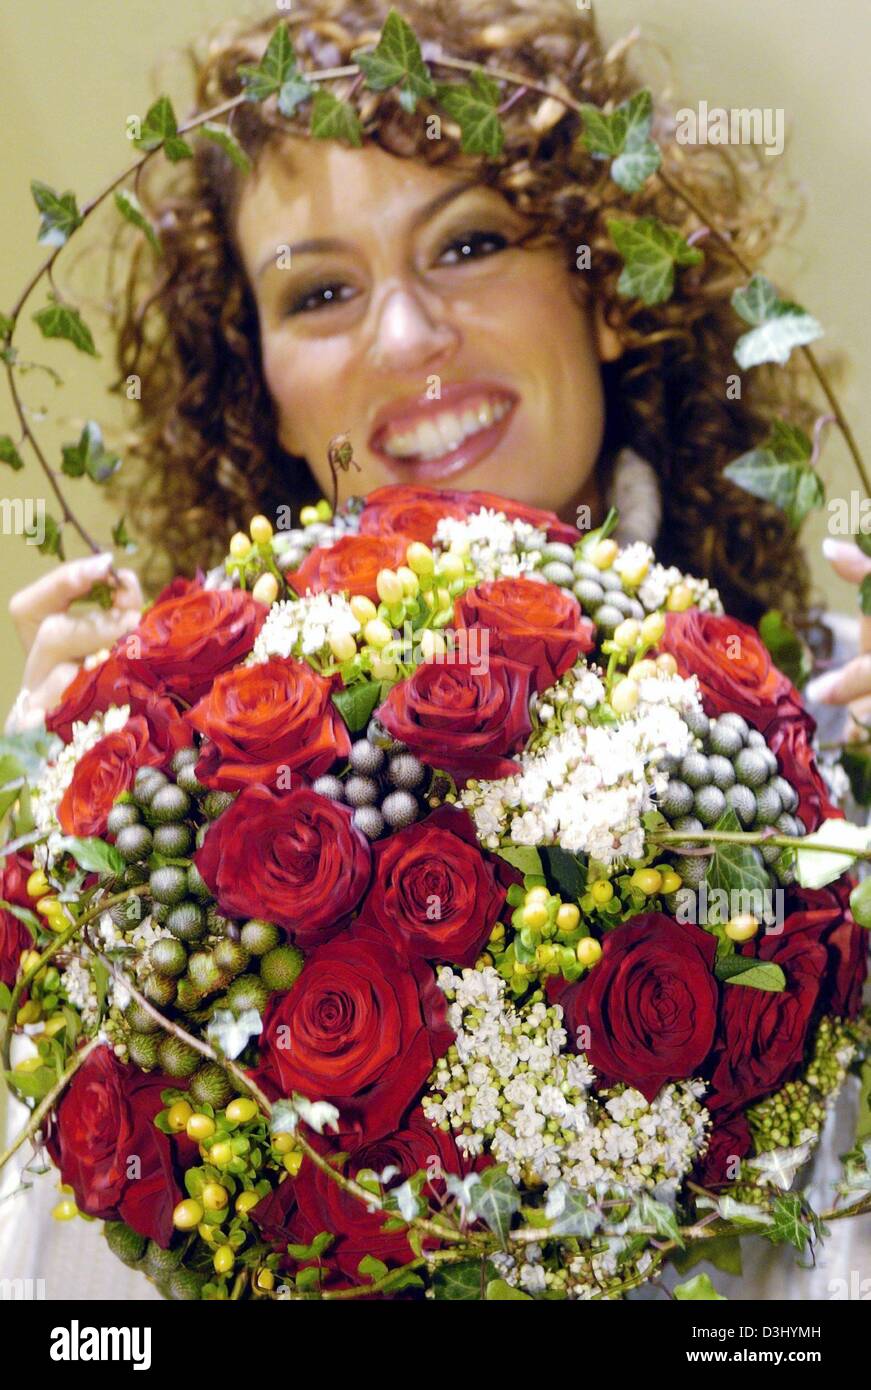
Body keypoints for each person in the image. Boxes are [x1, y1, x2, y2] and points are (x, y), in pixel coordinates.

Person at [2, 0, 868, 1299]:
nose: (407, 340)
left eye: (470, 242)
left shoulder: (840, 736)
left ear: (606, 287)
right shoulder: (149, 805)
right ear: (266, 385)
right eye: (323, 290)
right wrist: (49, 883)